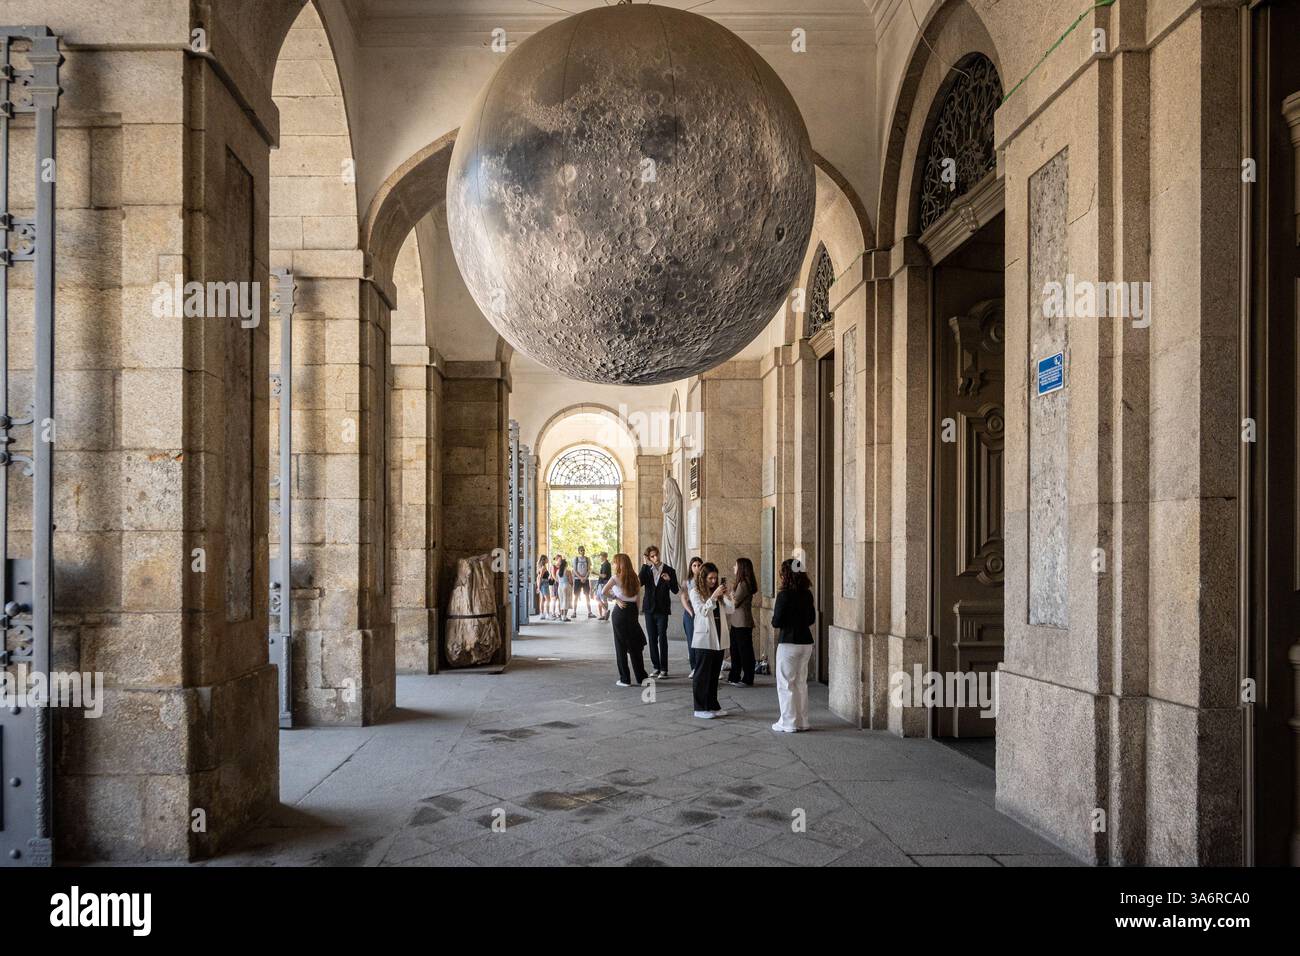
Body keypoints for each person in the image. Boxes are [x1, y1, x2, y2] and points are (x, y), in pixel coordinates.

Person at [771, 559, 816, 733]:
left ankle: (788, 722)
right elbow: (811, 619)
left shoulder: (784, 595)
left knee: (785, 683)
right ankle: (803, 721)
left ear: (785, 575)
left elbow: (776, 621)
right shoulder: (807, 594)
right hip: (806, 642)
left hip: (788, 642)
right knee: (800, 683)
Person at [599, 553, 650, 687]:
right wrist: (636, 613)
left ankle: (625, 679)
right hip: (632, 611)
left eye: (615, 562)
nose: (614, 564)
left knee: (620, 646)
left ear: (620, 564)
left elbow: (603, 592)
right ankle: (642, 677)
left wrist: (616, 599)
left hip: (620, 612)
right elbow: (638, 598)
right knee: (635, 646)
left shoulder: (615, 578)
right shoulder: (635, 578)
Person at [688, 562, 731, 718]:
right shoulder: (695, 593)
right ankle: (700, 708)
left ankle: (713, 705)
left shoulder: (718, 594)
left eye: (715, 578)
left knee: (713, 674)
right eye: (710, 578)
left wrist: (726, 596)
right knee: (702, 674)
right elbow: (702, 612)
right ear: (703, 578)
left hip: (719, 637)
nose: (714, 581)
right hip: (704, 638)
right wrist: (713, 597)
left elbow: (731, 609)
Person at [638, 545, 679, 679]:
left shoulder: (669, 570)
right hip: (649, 609)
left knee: (662, 638)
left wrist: (669, 580)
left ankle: (664, 669)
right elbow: (639, 583)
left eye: (657, 555)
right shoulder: (647, 570)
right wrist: (644, 565)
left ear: (659, 554)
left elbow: (675, 590)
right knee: (651, 638)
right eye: (652, 556)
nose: (655, 558)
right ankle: (656, 667)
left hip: (662, 610)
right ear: (649, 558)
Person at [726, 557, 757, 687]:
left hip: (742, 622)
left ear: (741, 568)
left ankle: (747, 678)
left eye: (736, 565)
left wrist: (728, 595)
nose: (734, 567)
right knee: (735, 650)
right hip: (737, 622)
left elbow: (735, 603)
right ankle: (734, 676)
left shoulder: (744, 584)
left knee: (744, 652)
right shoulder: (741, 583)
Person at [679, 555, 703, 676]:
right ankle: (694, 668)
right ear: (691, 567)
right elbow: (683, 597)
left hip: (703, 613)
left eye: (699, 565)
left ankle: (702, 666)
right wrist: (690, 611)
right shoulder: (687, 582)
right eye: (694, 565)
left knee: (702, 641)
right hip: (690, 613)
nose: (697, 567)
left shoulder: (705, 580)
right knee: (691, 641)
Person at [573, 546, 594, 618]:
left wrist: (585, 577)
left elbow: (589, 570)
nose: (582, 551)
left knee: (587, 596)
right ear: (579, 551)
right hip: (577, 579)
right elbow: (574, 570)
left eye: (583, 550)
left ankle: (590, 612)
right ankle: (574, 612)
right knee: (576, 596)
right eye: (581, 550)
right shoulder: (576, 559)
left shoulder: (587, 559)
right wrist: (580, 577)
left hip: (585, 579)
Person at [553, 554, 572, 622]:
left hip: (560, 586)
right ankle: (564, 616)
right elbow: (570, 581)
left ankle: (561, 616)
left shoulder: (558, 571)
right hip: (566, 585)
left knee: (561, 601)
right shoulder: (568, 571)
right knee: (566, 601)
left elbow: (557, 580)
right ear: (565, 565)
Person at [595, 551, 612, 621]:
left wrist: (595, 573)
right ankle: (603, 615)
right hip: (604, 583)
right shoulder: (606, 564)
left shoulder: (605, 564)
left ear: (604, 557)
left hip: (603, 583)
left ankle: (605, 611)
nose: (599, 557)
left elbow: (604, 576)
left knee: (597, 598)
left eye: (600, 556)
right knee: (604, 599)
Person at [536, 555, 552, 620]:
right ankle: (547, 614)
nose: (548, 560)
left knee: (542, 599)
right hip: (544, 584)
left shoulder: (540, 567)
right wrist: (538, 587)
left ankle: (542, 614)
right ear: (544, 560)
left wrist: (538, 586)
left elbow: (538, 577)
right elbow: (540, 577)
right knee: (548, 599)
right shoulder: (543, 568)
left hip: (542, 583)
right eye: (547, 559)